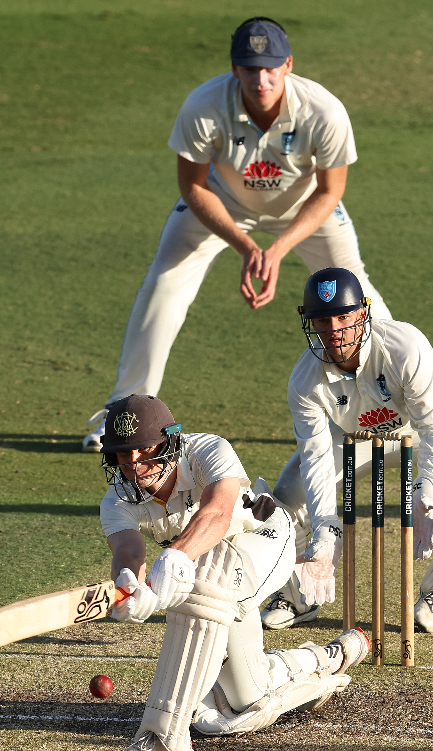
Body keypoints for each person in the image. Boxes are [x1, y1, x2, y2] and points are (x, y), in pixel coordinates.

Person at [82, 17, 392, 452]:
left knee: (354, 289)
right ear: (234, 69)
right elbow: (192, 187)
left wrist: (277, 249)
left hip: (305, 209)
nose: (261, 80)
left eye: (270, 69)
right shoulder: (203, 106)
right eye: (250, 69)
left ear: (288, 66)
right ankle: (124, 415)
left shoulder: (323, 111)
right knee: (163, 285)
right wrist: (246, 246)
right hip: (221, 204)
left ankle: (399, 398)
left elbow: (330, 191)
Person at [97, 393, 369, 751]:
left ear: (169, 441)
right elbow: (128, 552)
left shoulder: (206, 451)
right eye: (124, 457)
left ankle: (165, 741)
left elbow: (218, 513)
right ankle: (328, 658)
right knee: (244, 699)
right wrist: (131, 587)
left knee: (207, 577)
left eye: (144, 451)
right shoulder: (116, 502)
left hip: (265, 539)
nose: (135, 465)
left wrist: (175, 557)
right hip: (211, 571)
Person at [265, 268, 433, 634]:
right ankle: (298, 594)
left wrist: (426, 491)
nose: (334, 330)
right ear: (310, 323)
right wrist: (325, 529)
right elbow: (316, 459)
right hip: (355, 433)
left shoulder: (404, 346)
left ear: (362, 313)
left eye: (343, 317)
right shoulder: (304, 381)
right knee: (286, 497)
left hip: (428, 421)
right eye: (323, 320)